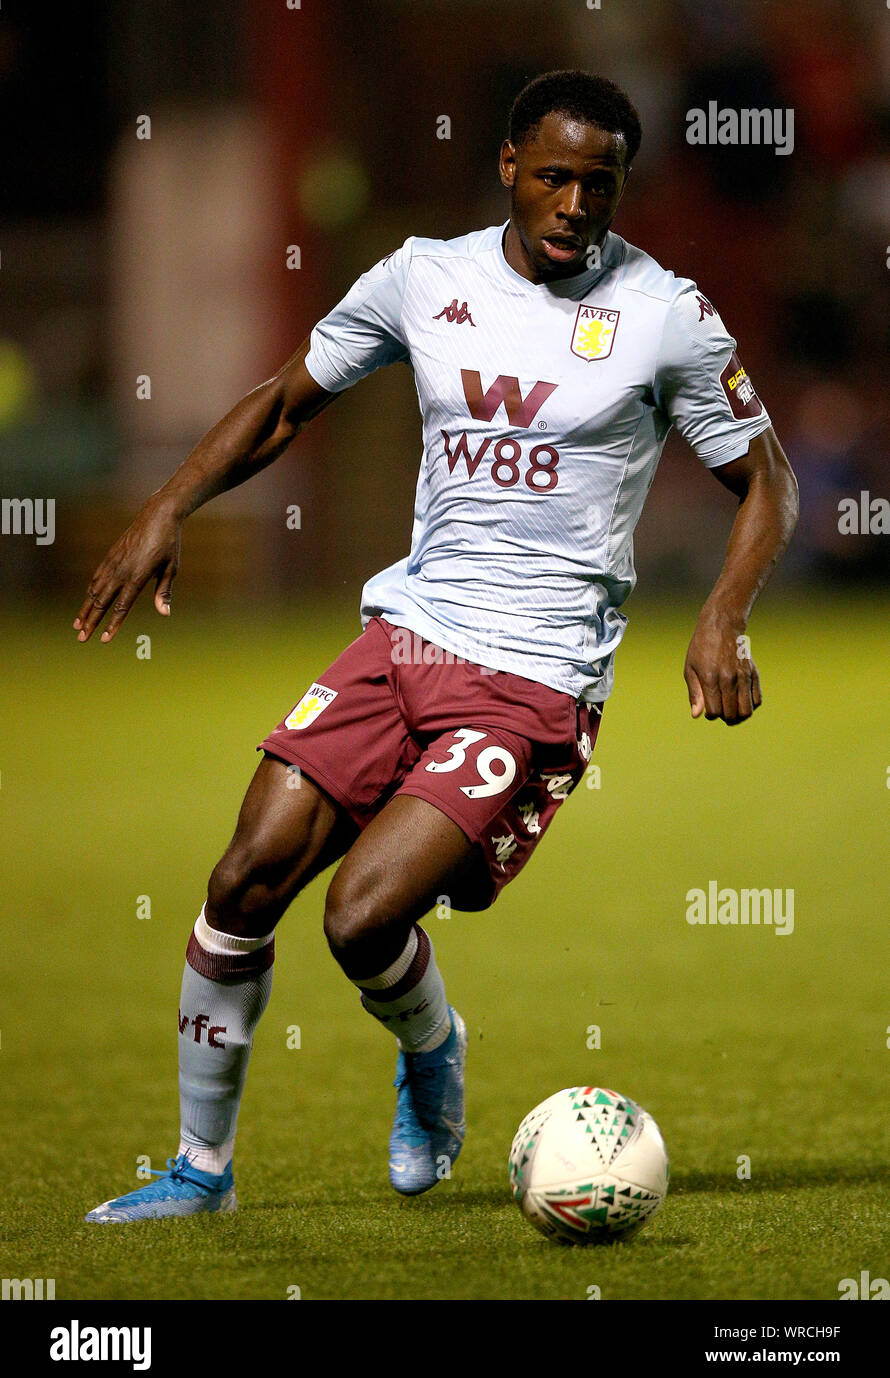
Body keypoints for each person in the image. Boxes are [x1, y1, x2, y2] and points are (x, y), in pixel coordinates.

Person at [78, 70, 798, 1223]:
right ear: (507, 165)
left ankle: (431, 1048)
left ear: (620, 189)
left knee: (361, 915)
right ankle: (199, 1173)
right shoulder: (425, 276)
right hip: (405, 633)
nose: (573, 204)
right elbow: (280, 401)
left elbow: (765, 479)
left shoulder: (663, 313)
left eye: (598, 185)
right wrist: (169, 504)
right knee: (240, 880)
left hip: (531, 680)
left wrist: (721, 613)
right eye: (553, 176)